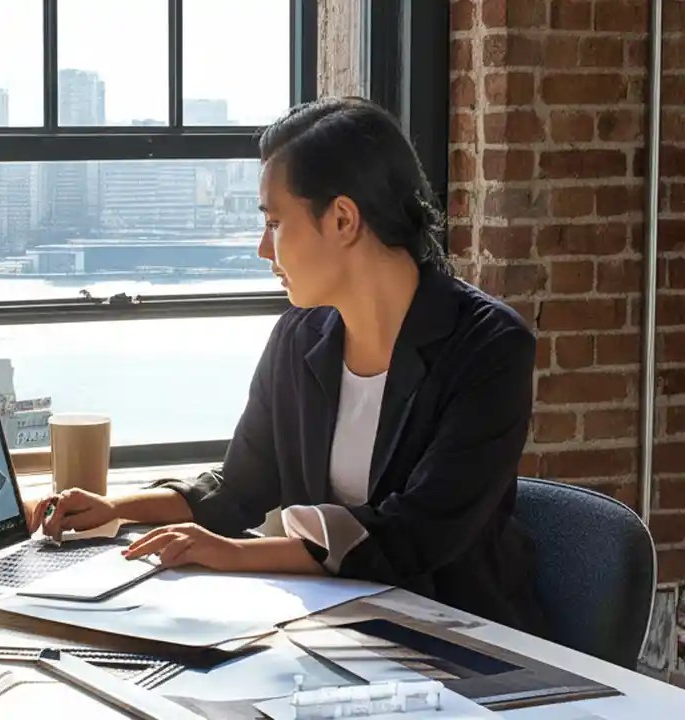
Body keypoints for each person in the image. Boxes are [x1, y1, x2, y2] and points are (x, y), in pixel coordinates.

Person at [28, 97, 545, 633]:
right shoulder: (300, 337)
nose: (262, 248)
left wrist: (233, 554)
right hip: (331, 627)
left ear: (342, 219)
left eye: (274, 223)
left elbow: (413, 536)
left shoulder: (490, 347)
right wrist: (115, 509)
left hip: (459, 637)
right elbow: (239, 489)